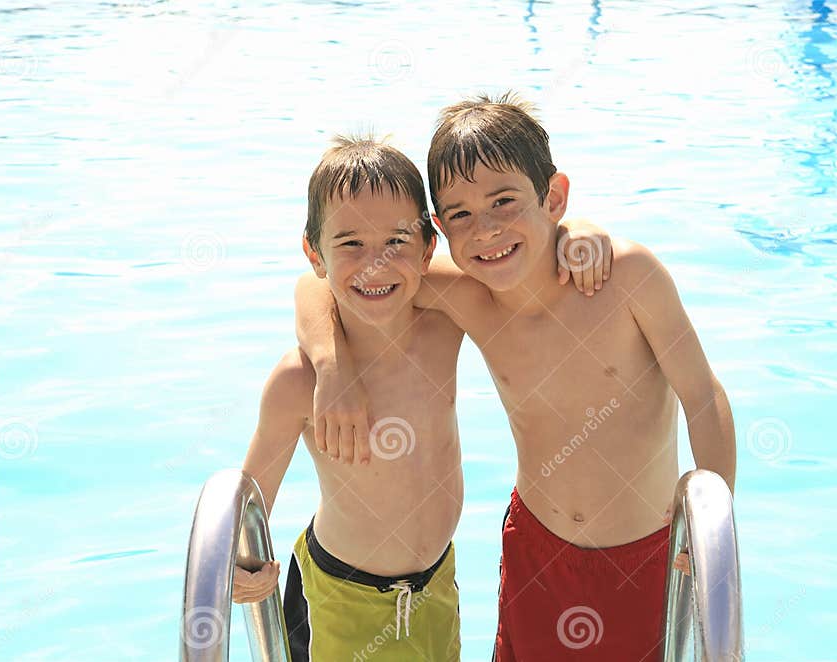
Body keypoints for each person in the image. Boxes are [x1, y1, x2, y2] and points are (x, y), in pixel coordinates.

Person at [294, 93, 736, 660]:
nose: (486, 231)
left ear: (552, 197)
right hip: (537, 552)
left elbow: (702, 392)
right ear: (437, 230)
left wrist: (712, 526)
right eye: (460, 215)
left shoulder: (623, 277)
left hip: (646, 554)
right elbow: (324, 280)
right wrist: (332, 369)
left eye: (505, 203)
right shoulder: (466, 292)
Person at [233, 134, 613, 661]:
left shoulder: (442, 324)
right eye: (351, 245)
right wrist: (241, 570)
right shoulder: (300, 382)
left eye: (396, 242)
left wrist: (578, 229)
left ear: (428, 246)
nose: (375, 265)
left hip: (435, 585)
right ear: (314, 253)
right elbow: (249, 500)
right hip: (342, 598)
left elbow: (519, 259)